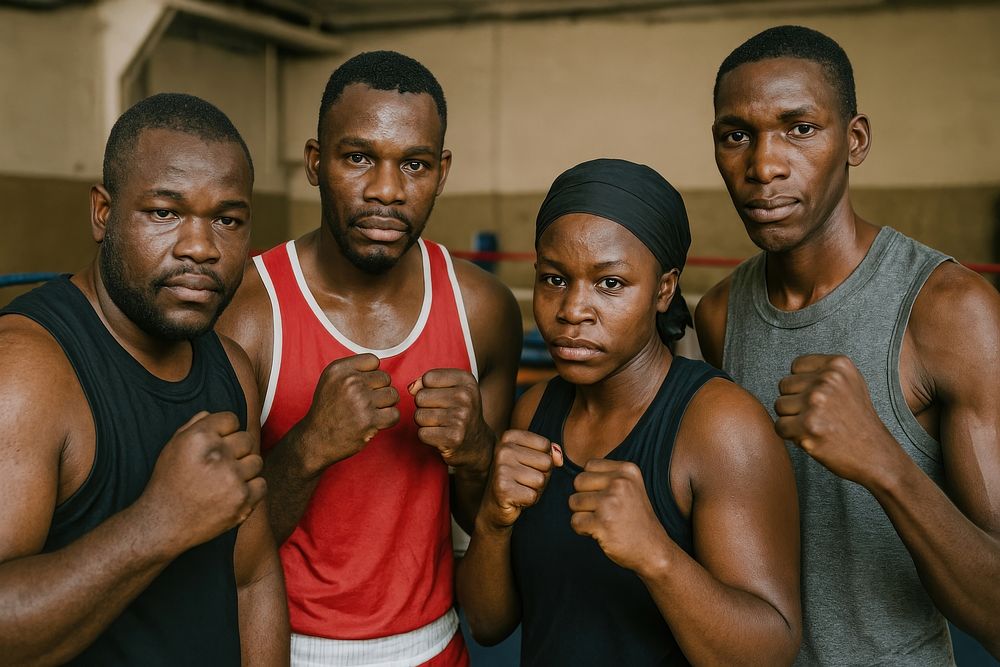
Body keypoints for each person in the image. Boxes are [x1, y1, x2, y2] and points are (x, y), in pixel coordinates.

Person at [696, 25, 1000, 664]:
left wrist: (883, 460)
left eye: (799, 128)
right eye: (736, 135)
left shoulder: (949, 312)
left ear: (854, 140)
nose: (764, 165)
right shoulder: (720, 314)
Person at [217, 51, 521, 666]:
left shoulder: (482, 310)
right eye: (358, 157)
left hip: (438, 647)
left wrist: (475, 454)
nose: (386, 190)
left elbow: (484, 526)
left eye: (414, 164)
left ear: (442, 172)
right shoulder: (247, 310)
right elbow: (211, 545)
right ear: (314, 163)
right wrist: (307, 447)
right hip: (280, 649)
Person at [457, 158, 802, 666]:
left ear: (664, 290)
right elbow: (488, 626)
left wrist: (655, 555)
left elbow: (769, 652)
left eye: (610, 283)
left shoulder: (719, 426)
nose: (573, 310)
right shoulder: (534, 412)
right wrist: (491, 521)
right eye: (554, 279)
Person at [0, 93, 289, 665]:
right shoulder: (27, 371)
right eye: (164, 212)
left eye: (227, 220)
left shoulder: (231, 368)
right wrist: (157, 525)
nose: (201, 248)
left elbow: (252, 577)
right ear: (103, 214)